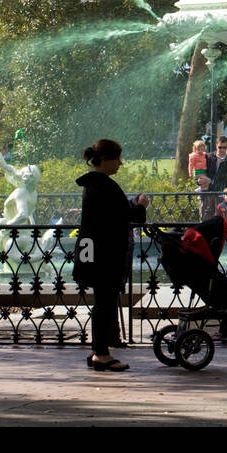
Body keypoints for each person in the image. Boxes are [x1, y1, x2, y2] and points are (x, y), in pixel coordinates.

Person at [74, 138, 148, 372]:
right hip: (104, 256)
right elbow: (126, 217)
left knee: (102, 303)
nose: (120, 163)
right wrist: (141, 206)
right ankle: (102, 355)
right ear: (105, 160)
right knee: (104, 304)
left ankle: (99, 349)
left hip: (92, 252)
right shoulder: (105, 185)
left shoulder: (92, 185)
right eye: (117, 158)